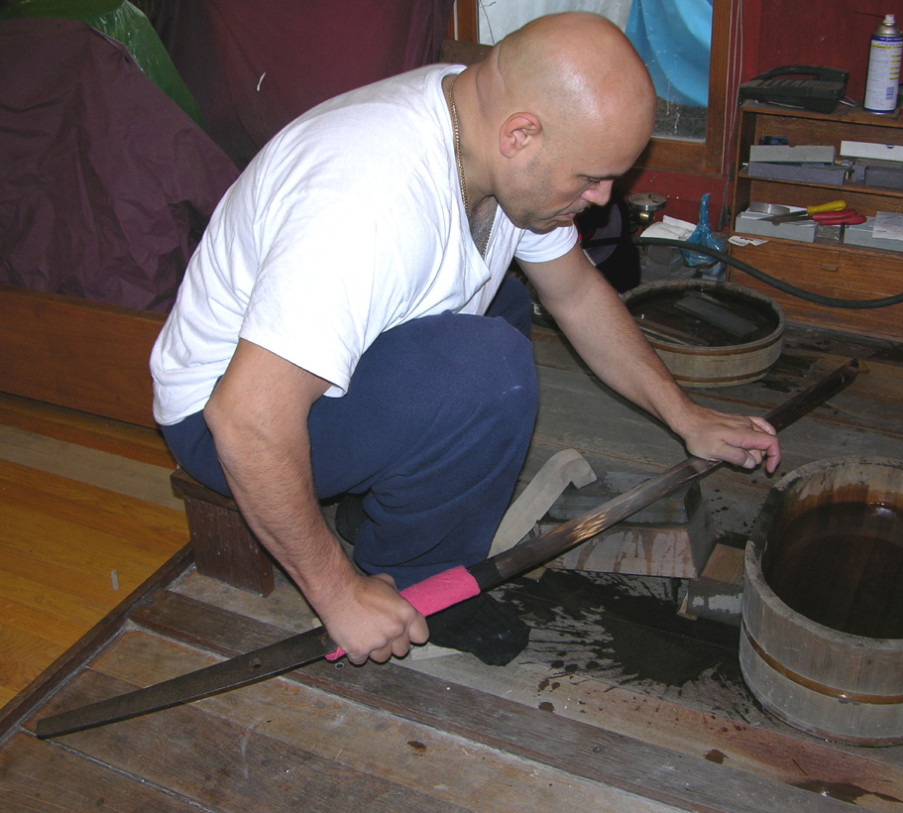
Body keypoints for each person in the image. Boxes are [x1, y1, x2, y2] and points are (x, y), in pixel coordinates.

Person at [150, 12, 780, 669]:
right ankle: (421, 582)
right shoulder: (365, 202)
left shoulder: (485, 125)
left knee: (503, 301)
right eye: (591, 178)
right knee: (490, 370)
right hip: (223, 415)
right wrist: (337, 593)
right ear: (521, 136)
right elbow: (247, 420)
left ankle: (385, 512)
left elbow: (575, 291)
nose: (602, 198)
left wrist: (687, 417)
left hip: (306, 375)